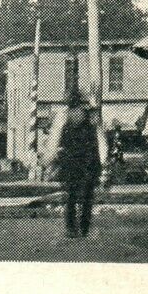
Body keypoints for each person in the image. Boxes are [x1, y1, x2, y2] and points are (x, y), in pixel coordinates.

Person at [52, 94, 104, 238]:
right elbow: (96, 143)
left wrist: (57, 160)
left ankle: (71, 227)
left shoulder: (65, 119)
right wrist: (99, 166)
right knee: (87, 198)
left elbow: (58, 143)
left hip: (70, 165)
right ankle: (84, 227)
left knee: (71, 197)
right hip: (87, 164)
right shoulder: (90, 119)